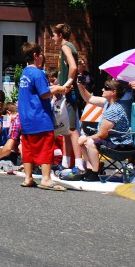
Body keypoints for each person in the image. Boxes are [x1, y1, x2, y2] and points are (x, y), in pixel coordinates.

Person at [16, 42, 69, 190]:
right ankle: (46, 178)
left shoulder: (25, 72)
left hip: (26, 117)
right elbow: (44, 93)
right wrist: (59, 89)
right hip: (40, 116)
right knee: (46, 147)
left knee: (28, 148)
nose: (42, 57)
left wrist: (54, 87)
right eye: (41, 54)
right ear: (35, 55)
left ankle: (28, 177)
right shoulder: (38, 73)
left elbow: (36, 90)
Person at [66, 79, 134, 182]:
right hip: (113, 141)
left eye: (106, 88)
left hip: (121, 146)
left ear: (113, 92)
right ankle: (89, 169)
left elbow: (102, 135)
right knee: (83, 139)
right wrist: (80, 85)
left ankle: (95, 172)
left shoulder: (114, 110)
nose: (102, 89)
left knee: (89, 141)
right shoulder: (107, 103)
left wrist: (86, 138)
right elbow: (89, 98)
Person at [51, 24, 82, 176]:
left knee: (72, 129)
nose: (52, 38)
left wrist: (68, 83)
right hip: (67, 93)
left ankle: (79, 165)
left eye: (54, 35)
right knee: (66, 130)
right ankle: (65, 163)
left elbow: (74, 67)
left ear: (60, 35)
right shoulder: (69, 47)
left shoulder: (65, 47)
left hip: (70, 93)